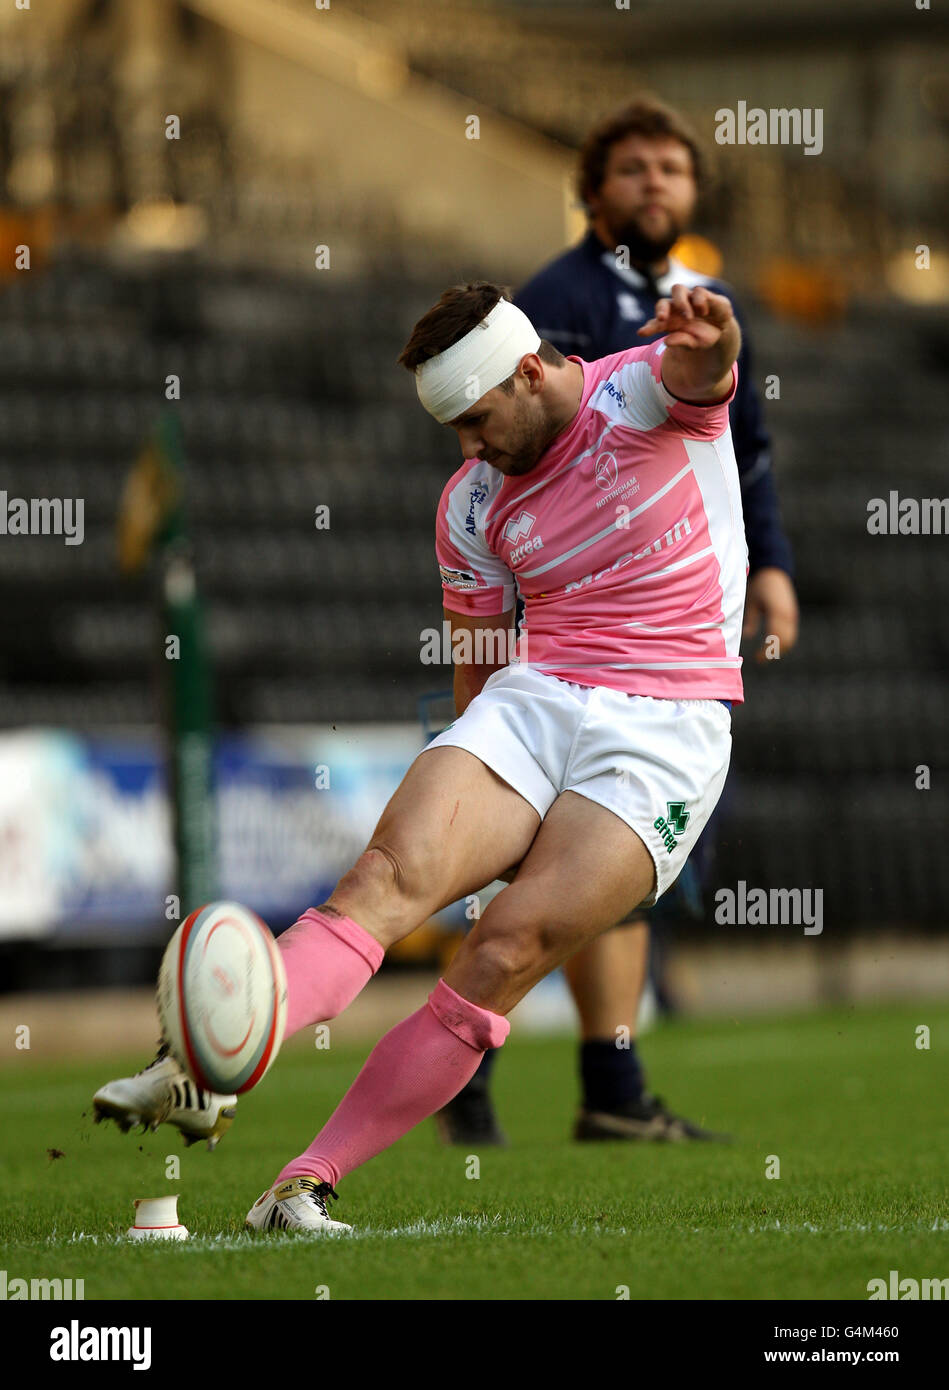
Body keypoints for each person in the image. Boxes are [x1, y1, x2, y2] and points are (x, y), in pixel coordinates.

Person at [96, 278, 747, 1232]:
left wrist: (713, 336)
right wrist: (491, 799)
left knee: (504, 949)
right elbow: (477, 666)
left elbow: (705, 370)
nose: (468, 448)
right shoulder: (471, 504)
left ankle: (301, 1185)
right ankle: (198, 1065)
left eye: (476, 420)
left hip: (668, 725)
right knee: (382, 879)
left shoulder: (642, 391)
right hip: (536, 696)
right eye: (452, 429)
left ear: (529, 373)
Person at [437, 98, 798, 1147]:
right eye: (632, 168)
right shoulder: (557, 300)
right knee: (547, 876)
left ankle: (599, 1085)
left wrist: (771, 564)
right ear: (592, 191)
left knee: (602, 876)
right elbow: (502, 455)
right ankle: (481, 1068)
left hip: (663, 644)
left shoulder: (697, 304)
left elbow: (743, 447)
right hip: (565, 647)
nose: (654, 184)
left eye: (671, 169)